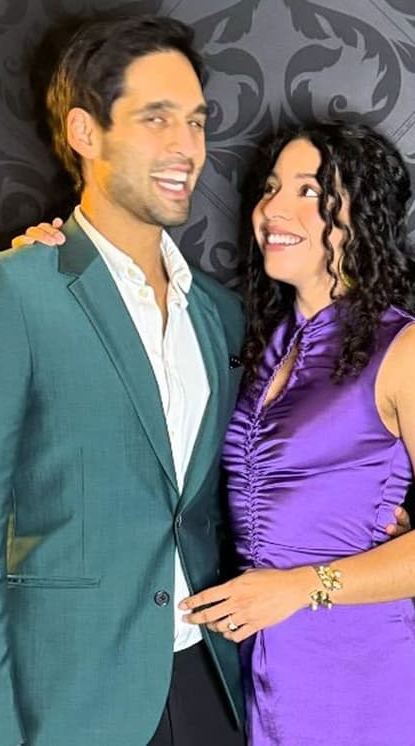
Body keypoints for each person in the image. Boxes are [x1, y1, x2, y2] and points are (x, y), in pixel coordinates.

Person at [0, 15, 246, 746]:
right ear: (85, 131)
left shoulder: (220, 314)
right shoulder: (18, 291)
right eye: (156, 118)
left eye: (196, 122)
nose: (187, 147)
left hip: (208, 684)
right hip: (69, 701)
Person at [176, 121, 415, 745]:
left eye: (309, 190)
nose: (273, 208)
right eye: (271, 187)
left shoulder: (404, 348)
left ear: (364, 216)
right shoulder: (254, 343)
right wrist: (57, 253)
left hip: (364, 674)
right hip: (260, 673)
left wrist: (302, 587)